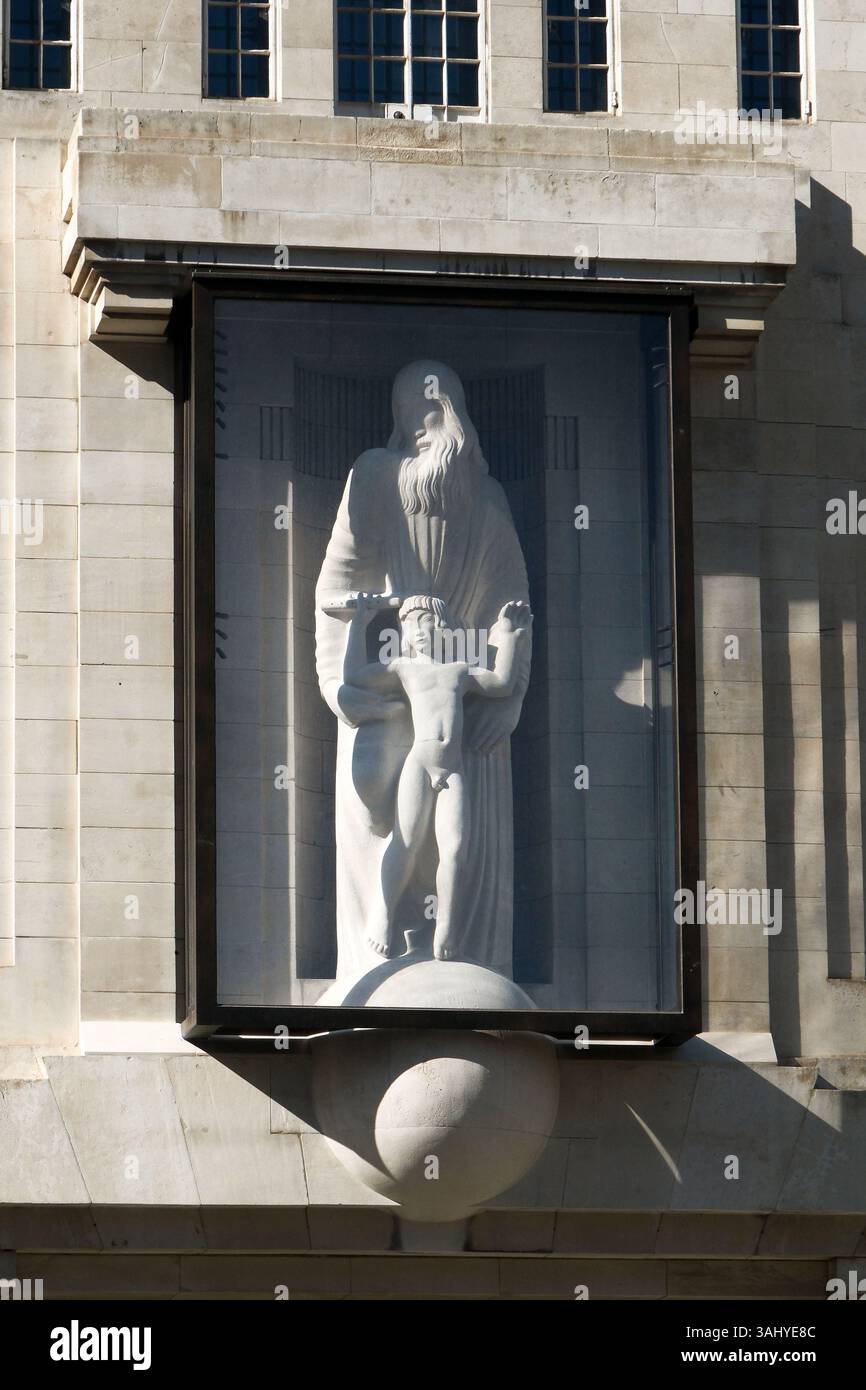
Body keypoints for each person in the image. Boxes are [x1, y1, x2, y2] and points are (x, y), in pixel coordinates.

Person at [339, 592, 532, 961]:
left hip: (452, 769)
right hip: (420, 762)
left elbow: (503, 683)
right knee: (406, 841)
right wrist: (358, 625)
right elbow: (353, 676)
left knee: (456, 848)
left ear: (445, 629)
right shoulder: (403, 668)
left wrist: (509, 636)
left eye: (430, 622)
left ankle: (447, 925)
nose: (422, 629)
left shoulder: (458, 672)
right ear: (404, 633)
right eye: (412, 623)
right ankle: (383, 914)